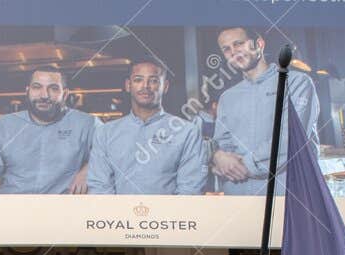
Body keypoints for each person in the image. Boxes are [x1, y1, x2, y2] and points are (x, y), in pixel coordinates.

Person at [210, 28, 321, 195]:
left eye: (238, 44)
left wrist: (242, 166)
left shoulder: (297, 83)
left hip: (287, 194)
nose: (233, 52)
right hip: (238, 195)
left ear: (259, 44)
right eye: (226, 49)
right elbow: (222, 143)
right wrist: (217, 157)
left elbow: (290, 139)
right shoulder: (227, 97)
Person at [0, 68, 97, 194]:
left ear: (65, 94)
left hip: (61, 212)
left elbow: (113, 152)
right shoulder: (3, 125)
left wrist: (89, 169)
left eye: (53, 88)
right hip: (13, 210)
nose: (44, 95)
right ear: (27, 91)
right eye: (37, 87)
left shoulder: (87, 124)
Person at [87, 60, 208, 195]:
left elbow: (190, 189)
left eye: (154, 81)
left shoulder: (187, 132)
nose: (145, 86)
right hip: (119, 215)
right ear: (128, 85)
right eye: (138, 80)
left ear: (165, 86)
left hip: (170, 215)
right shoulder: (105, 133)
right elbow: (99, 187)